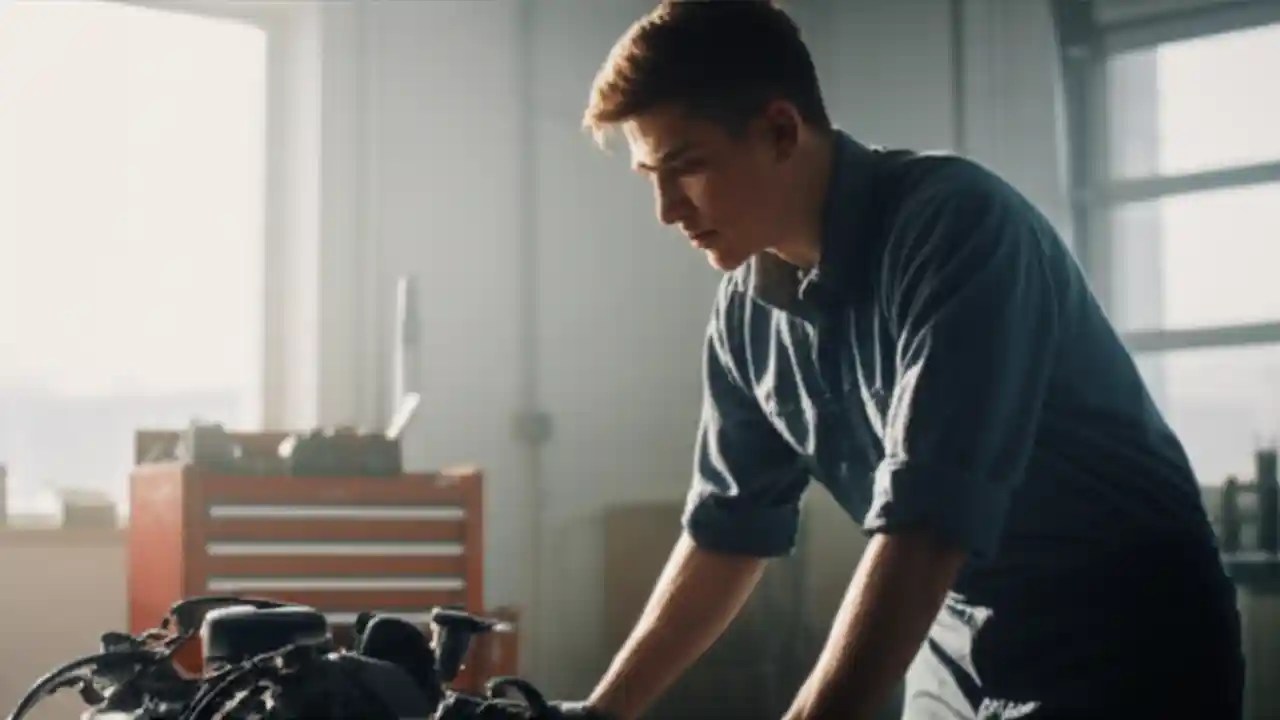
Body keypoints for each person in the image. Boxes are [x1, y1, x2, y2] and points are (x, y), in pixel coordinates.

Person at [555, 2, 1245, 718]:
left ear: (780, 131)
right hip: (952, 645)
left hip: (1125, 640)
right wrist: (602, 712)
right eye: (649, 177)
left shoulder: (956, 225)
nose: (666, 208)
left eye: (687, 168)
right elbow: (727, 532)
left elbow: (926, 525)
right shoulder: (745, 313)